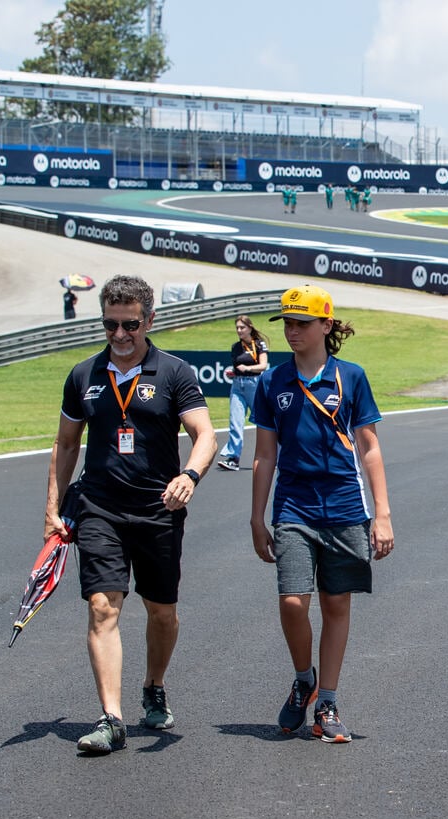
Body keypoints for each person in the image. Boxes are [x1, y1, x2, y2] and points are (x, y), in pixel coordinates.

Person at [44, 274, 217, 753]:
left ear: (149, 320)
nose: (120, 335)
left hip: (159, 508)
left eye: (130, 325)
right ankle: (111, 719)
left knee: (162, 611)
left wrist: (190, 476)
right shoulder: (83, 375)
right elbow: (65, 443)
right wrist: (52, 509)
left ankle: (153, 683)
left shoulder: (175, 372)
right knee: (103, 607)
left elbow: (205, 435)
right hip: (98, 507)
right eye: (110, 325)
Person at [250, 284, 394, 743]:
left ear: (325, 326)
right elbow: (264, 455)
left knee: (336, 603)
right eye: (287, 323)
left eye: (301, 323)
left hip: (347, 507)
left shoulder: (351, 377)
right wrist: (257, 517)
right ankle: (303, 678)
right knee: (293, 601)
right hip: (293, 506)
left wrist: (383, 514)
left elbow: (370, 448)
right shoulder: (271, 381)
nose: (292, 331)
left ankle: (327, 701)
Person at [216, 315, 270, 471]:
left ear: (250, 328)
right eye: (237, 328)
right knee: (235, 421)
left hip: (255, 384)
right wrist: (231, 372)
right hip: (237, 385)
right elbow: (236, 367)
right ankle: (233, 457)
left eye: (242, 327)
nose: (239, 330)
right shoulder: (235, 346)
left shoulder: (259, 344)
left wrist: (248, 369)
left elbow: (263, 365)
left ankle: (274, 454)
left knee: (263, 421)